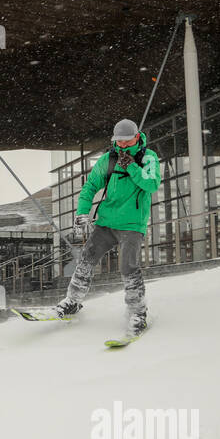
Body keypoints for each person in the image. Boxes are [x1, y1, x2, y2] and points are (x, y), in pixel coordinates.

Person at [55, 118, 162, 334]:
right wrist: (82, 213)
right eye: (118, 141)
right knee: (86, 258)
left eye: (125, 141)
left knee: (128, 267)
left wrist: (131, 166)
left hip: (132, 224)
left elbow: (151, 184)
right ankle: (72, 301)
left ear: (136, 136)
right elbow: (90, 186)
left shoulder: (148, 157)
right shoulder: (108, 159)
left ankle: (138, 312)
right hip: (106, 222)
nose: (121, 145)